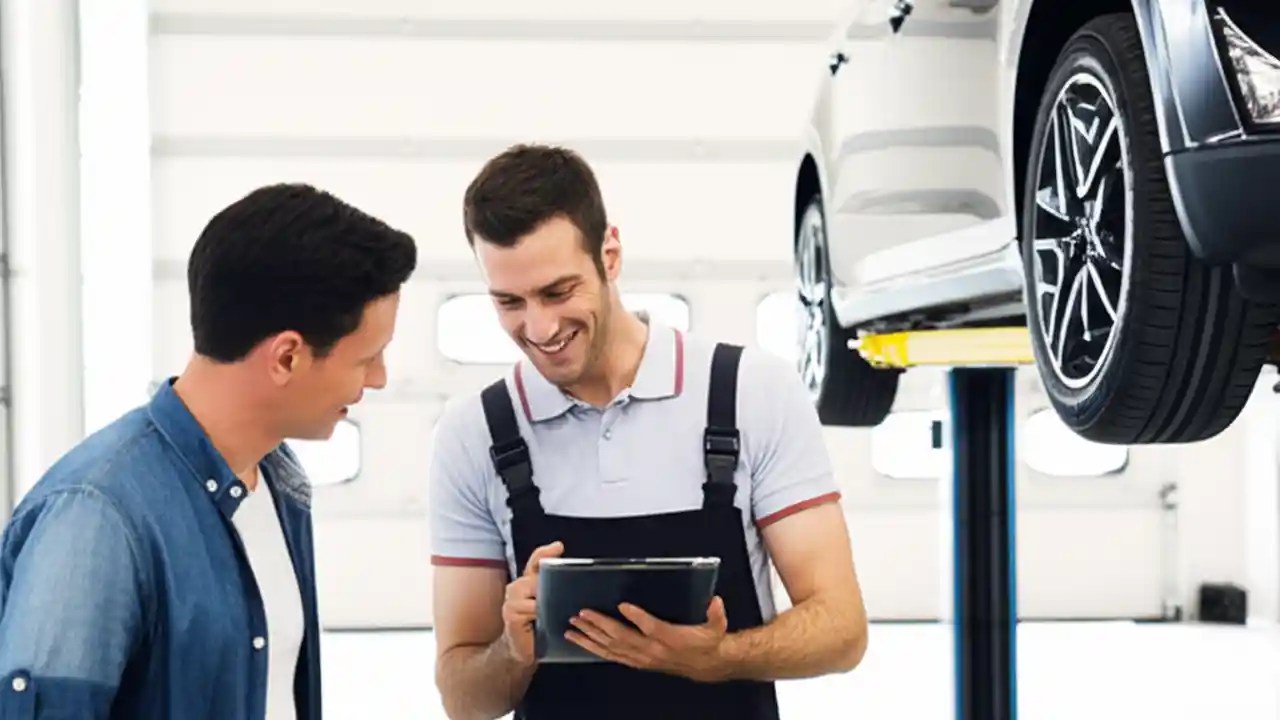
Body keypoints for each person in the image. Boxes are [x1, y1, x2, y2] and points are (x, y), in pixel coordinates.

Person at [429, 144, 868, 720]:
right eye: (509, 301)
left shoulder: (750, 394)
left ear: (609, 255)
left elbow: (841, 629)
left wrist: (722, 656)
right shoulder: (475, 433)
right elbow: (464, 700)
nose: (539, 327)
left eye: (559, 292)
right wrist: (513, 650)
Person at [0, 183, 417, 719]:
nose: (379, 380)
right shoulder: (95, 516)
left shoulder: (279, 482)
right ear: (286, 357)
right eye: (367, 359)